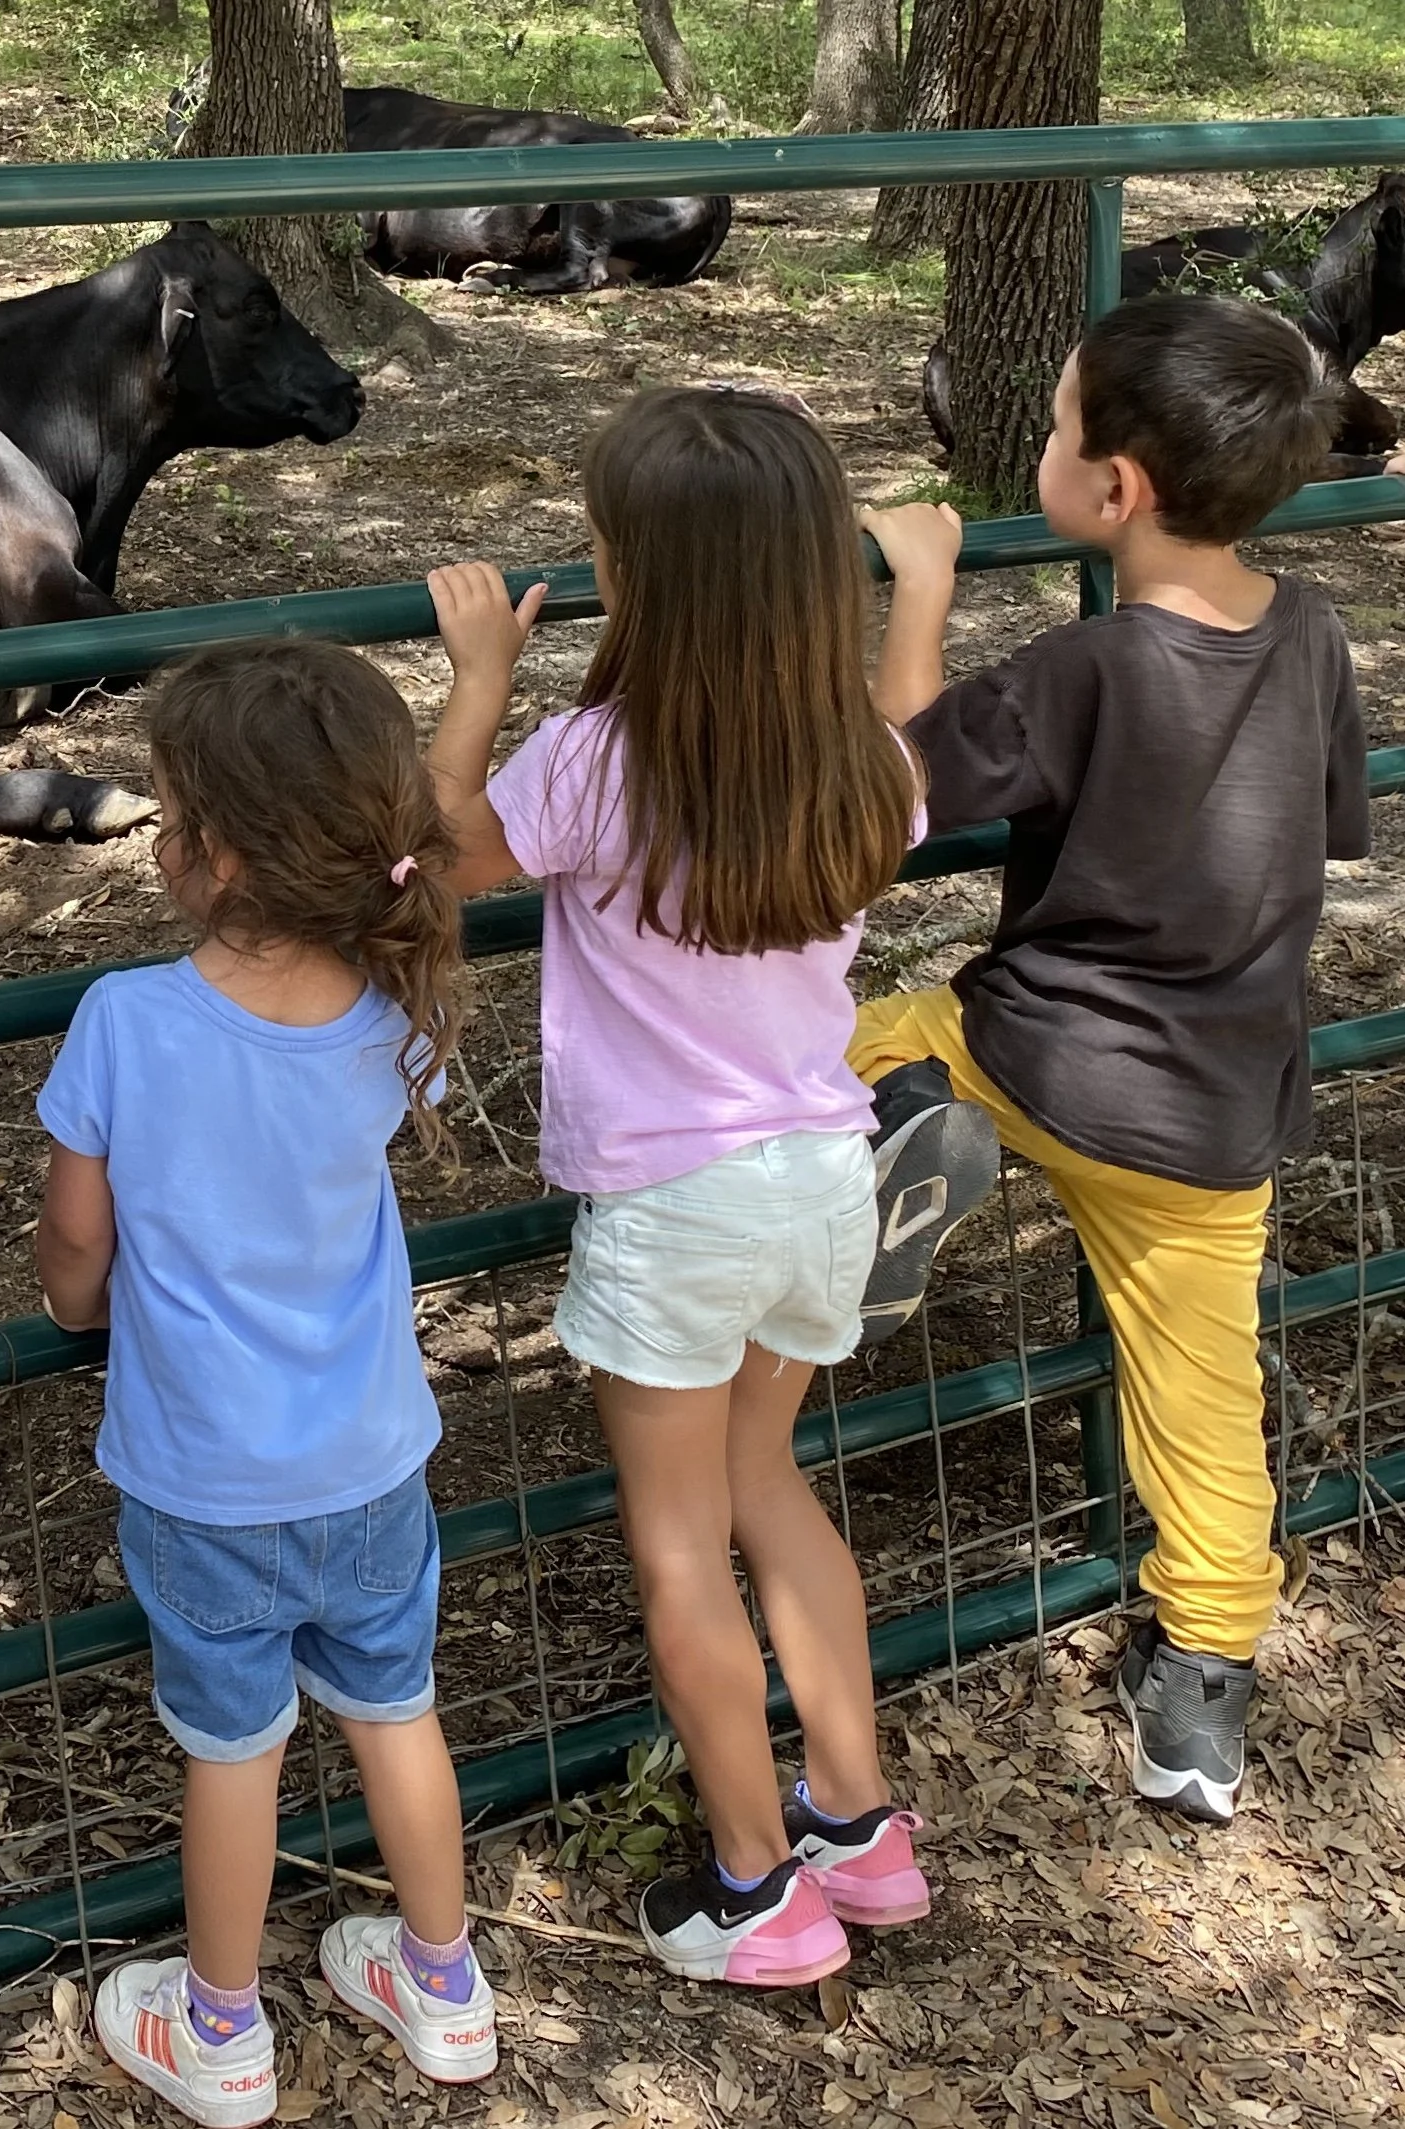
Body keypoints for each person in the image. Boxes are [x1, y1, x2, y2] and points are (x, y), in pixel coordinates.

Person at [422, 384, 931, 1989]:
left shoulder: (591, 760)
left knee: (677, 1547)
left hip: (671, 1202)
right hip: (823, 1177)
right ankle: (861, 1826)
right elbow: (912, 724)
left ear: (631, 576)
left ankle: (754, 1884)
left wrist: (479, 682)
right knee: (768, 1484)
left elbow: (446, 857)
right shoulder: (861, 765)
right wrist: (924, 591)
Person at [856, 293, 1365, 1825]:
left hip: (1032, 1056)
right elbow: (1325, 829)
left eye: (1060, 424)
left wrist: (925, 589)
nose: (1044, 442)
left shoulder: (1084, 670)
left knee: (860, 1027)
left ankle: (892, 1125)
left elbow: (898, 786)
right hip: (1213, 1112)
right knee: (1206, 1403)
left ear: (1117, 490)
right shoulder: (1319, 637)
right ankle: (1201, 1692)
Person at [34, 640, 497, 2129]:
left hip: (201, 1479)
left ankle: (220, 2031)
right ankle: (444, 1986)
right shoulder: (392, 1015)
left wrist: (70, 1303)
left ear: (206, 854)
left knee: (233, 1754)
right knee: (396, 1713)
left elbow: (75, 1241)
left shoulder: (127, 1021)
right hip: (369, 1460)